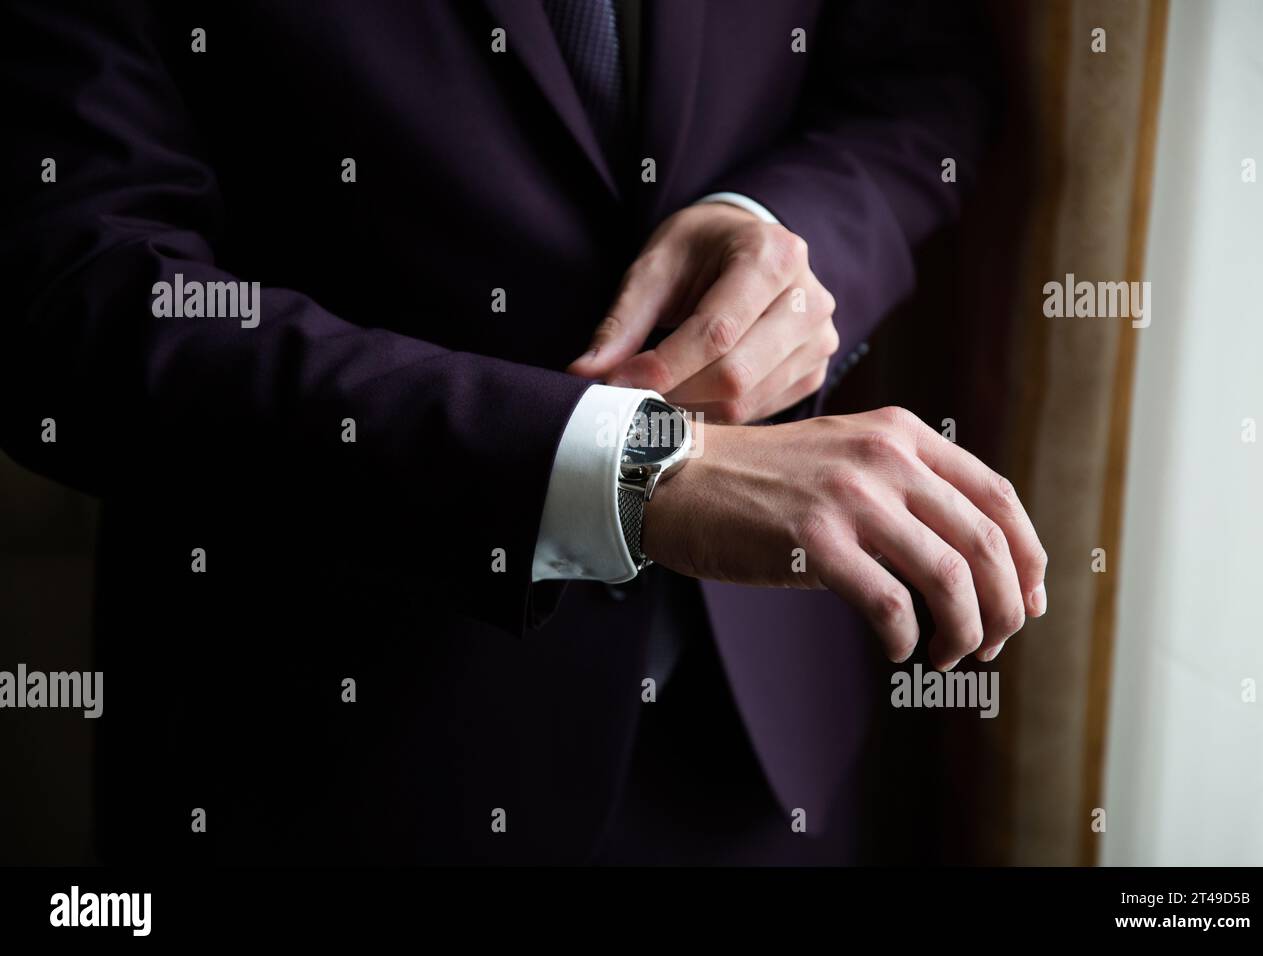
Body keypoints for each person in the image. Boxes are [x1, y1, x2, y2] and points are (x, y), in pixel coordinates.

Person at [0, 0, 1045, 864]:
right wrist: (630, 469)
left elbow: (918, 70)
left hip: (755, 743)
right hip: (332, 759)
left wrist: (777, 231)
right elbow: (74, 294)